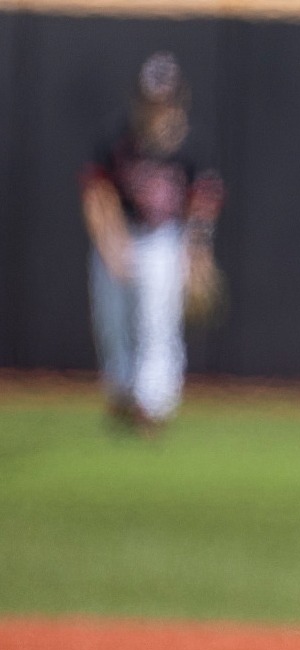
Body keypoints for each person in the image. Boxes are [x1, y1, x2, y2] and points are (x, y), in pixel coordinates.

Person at [79, 51, 223, 436]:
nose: (159, 109)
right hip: (122, 232)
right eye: (152, 101)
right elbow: (97, 193)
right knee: (112, 323)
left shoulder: (193, 146)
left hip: (163, 240)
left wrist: (199, 257)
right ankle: (122, 394)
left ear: (179, 100)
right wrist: (110, 242)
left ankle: (153, 404)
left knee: (157, 322)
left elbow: (202, 206)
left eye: (166, 101)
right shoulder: (117, 137)